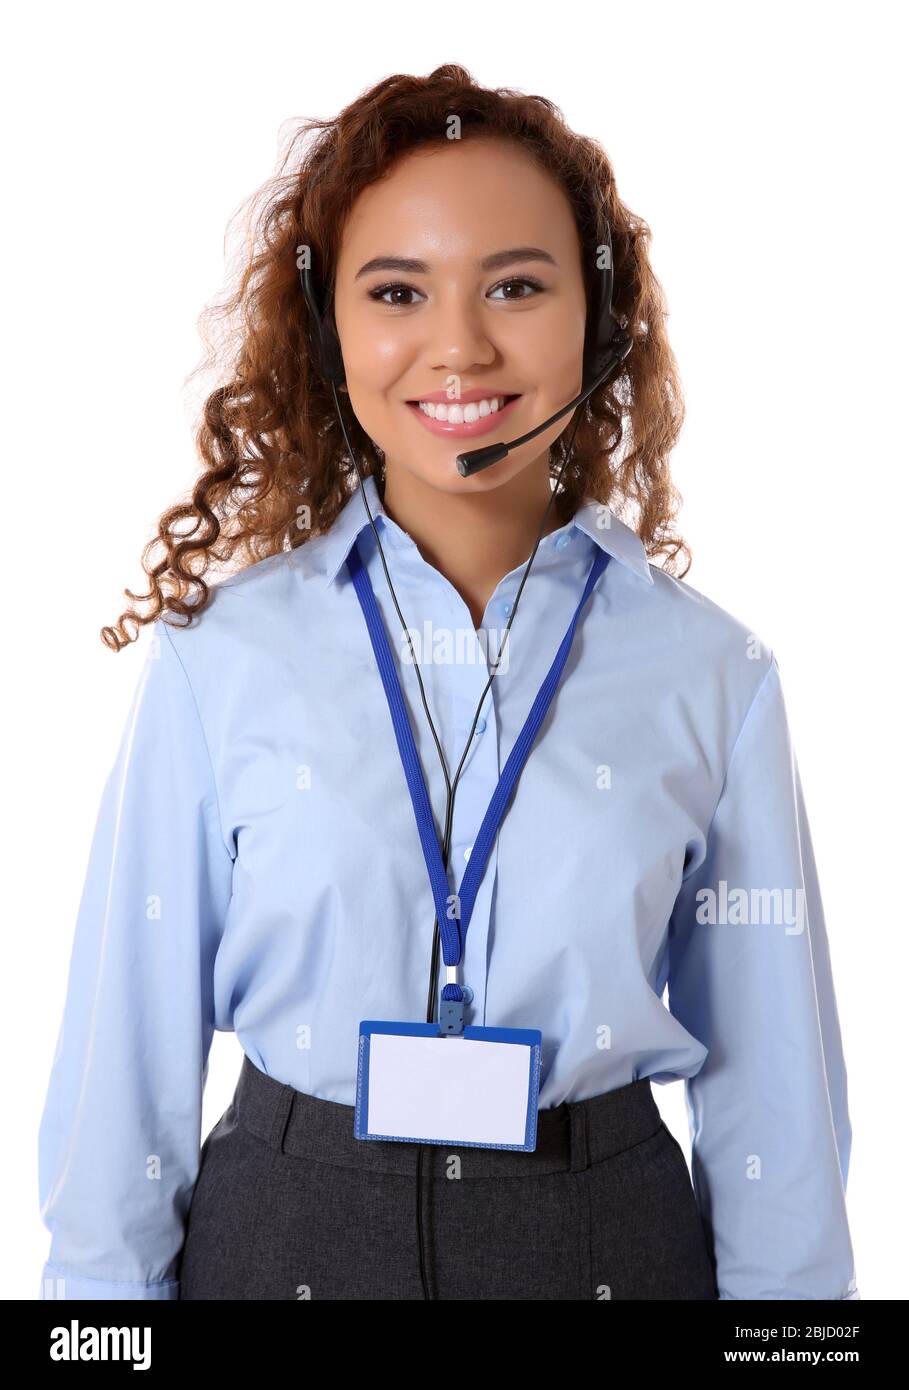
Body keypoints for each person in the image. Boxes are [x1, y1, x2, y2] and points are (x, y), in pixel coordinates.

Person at [37, 64, 859, 1301]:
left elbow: (777, 1110)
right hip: (287, 1236)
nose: (461, 346)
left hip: (604, 1241)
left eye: (518, 286)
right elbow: (122, 1085)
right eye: (397, 291)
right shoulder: (221, 661)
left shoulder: (712, 673)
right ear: (330, 329)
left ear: (602, 312)